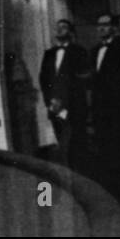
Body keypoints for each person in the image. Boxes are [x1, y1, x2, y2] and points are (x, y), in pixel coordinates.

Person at [89, 13, 120, 198]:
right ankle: (111, 195)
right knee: (105, 152)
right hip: (100, 110)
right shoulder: (94, 51)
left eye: (106, 25)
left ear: (113, 28)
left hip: (118, 109)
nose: (101, 28)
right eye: (99, 25)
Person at [39, 19, 88, 166]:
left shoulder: (79, 51)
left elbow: (80, 80)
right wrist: (50, 103)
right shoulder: (48, 54)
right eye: (58, 27)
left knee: (75, 147)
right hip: (54, 109)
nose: (60, 30)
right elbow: (43, 80)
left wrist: (64, 103)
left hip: (73, 107)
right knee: (62, 145)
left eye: (64, 27)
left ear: (71, 32)